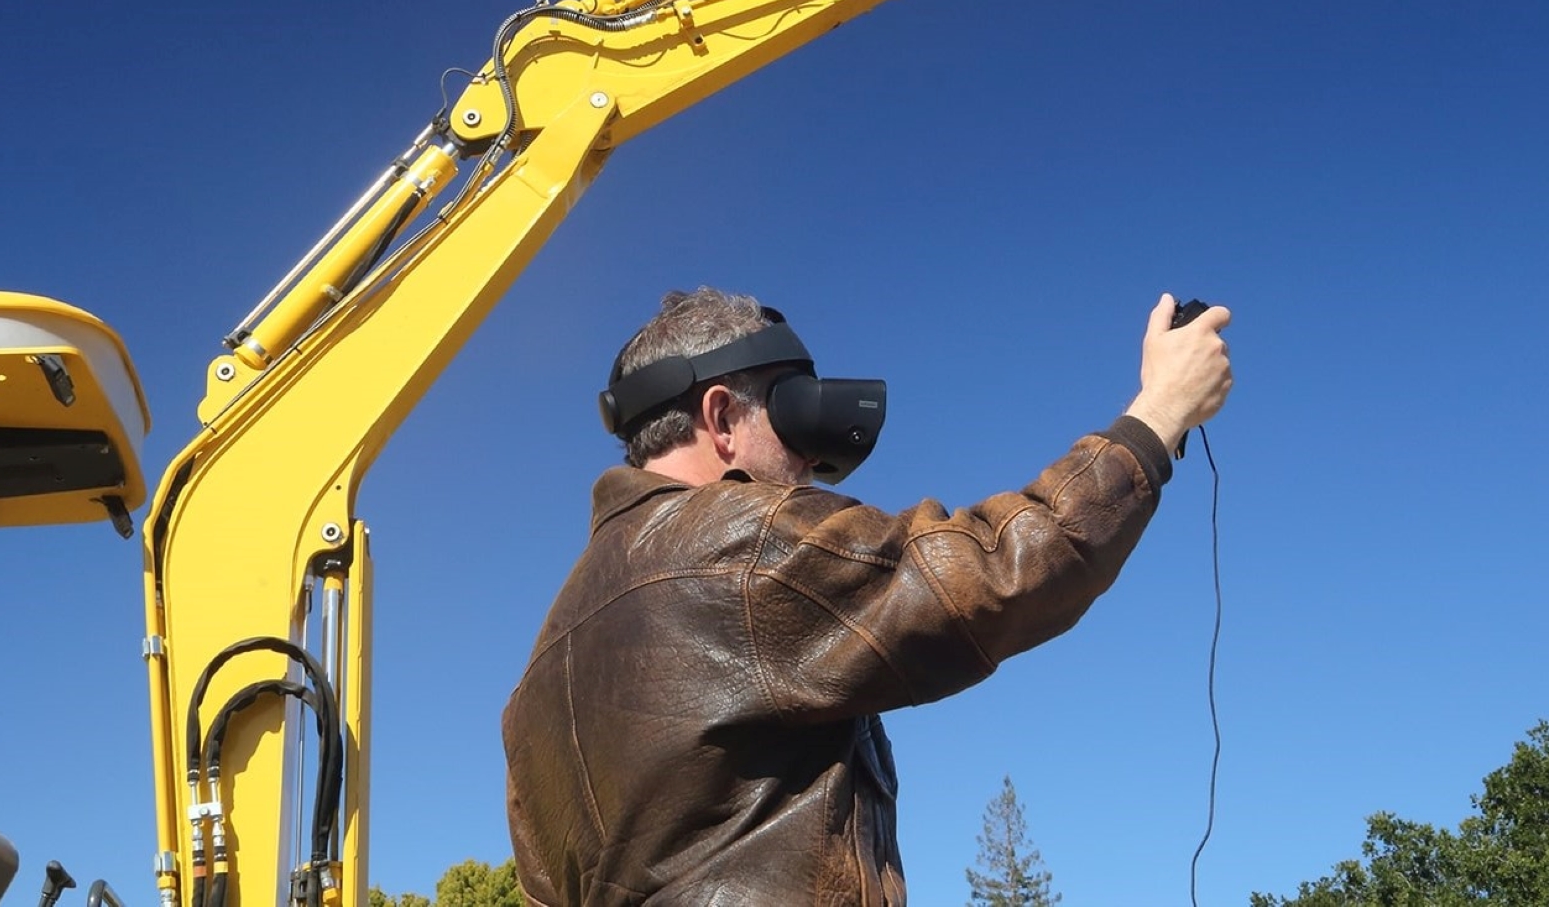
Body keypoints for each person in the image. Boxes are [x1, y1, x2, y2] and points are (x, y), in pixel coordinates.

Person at [501, 288, 1233, 906]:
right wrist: (1158, 416)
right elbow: (995, 571)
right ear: (721, 417)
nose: (808, 467)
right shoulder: (738, 542)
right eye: (791, 418)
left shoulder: (538, 677)